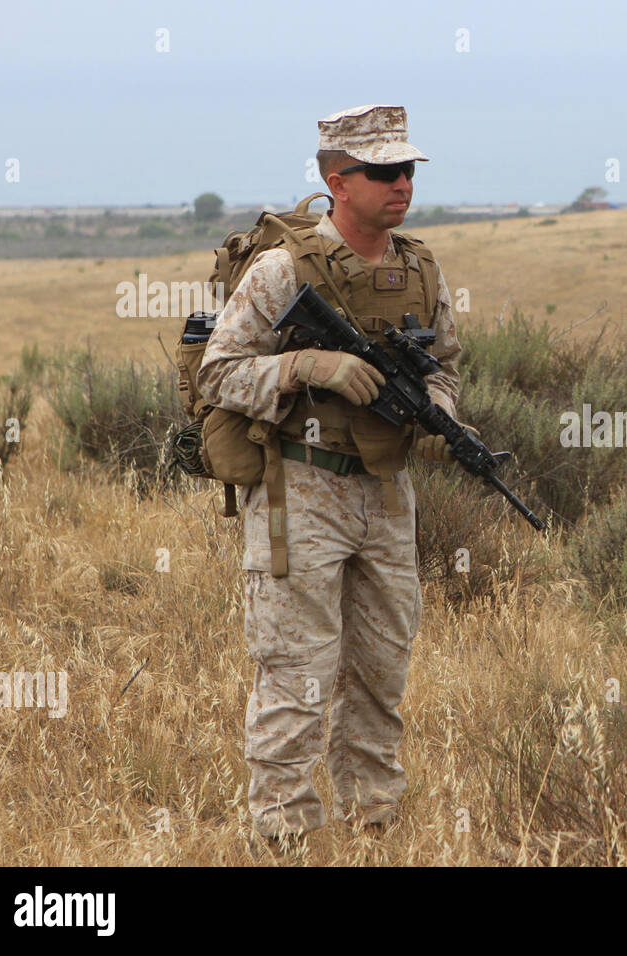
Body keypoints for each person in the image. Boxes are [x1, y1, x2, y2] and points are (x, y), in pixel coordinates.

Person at [196, 104, 465, 846]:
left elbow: (445, 366)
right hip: (300, 488)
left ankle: (375, 825)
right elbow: (218, 373)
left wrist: (438, 414)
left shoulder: (421, 269)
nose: (400, 184)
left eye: (407, 170)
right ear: (336, 180)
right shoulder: (285, 270)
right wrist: (312, 365)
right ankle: (281, 837)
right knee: (296, 676)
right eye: (383, 172)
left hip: (386, 493)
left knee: (382, 673)